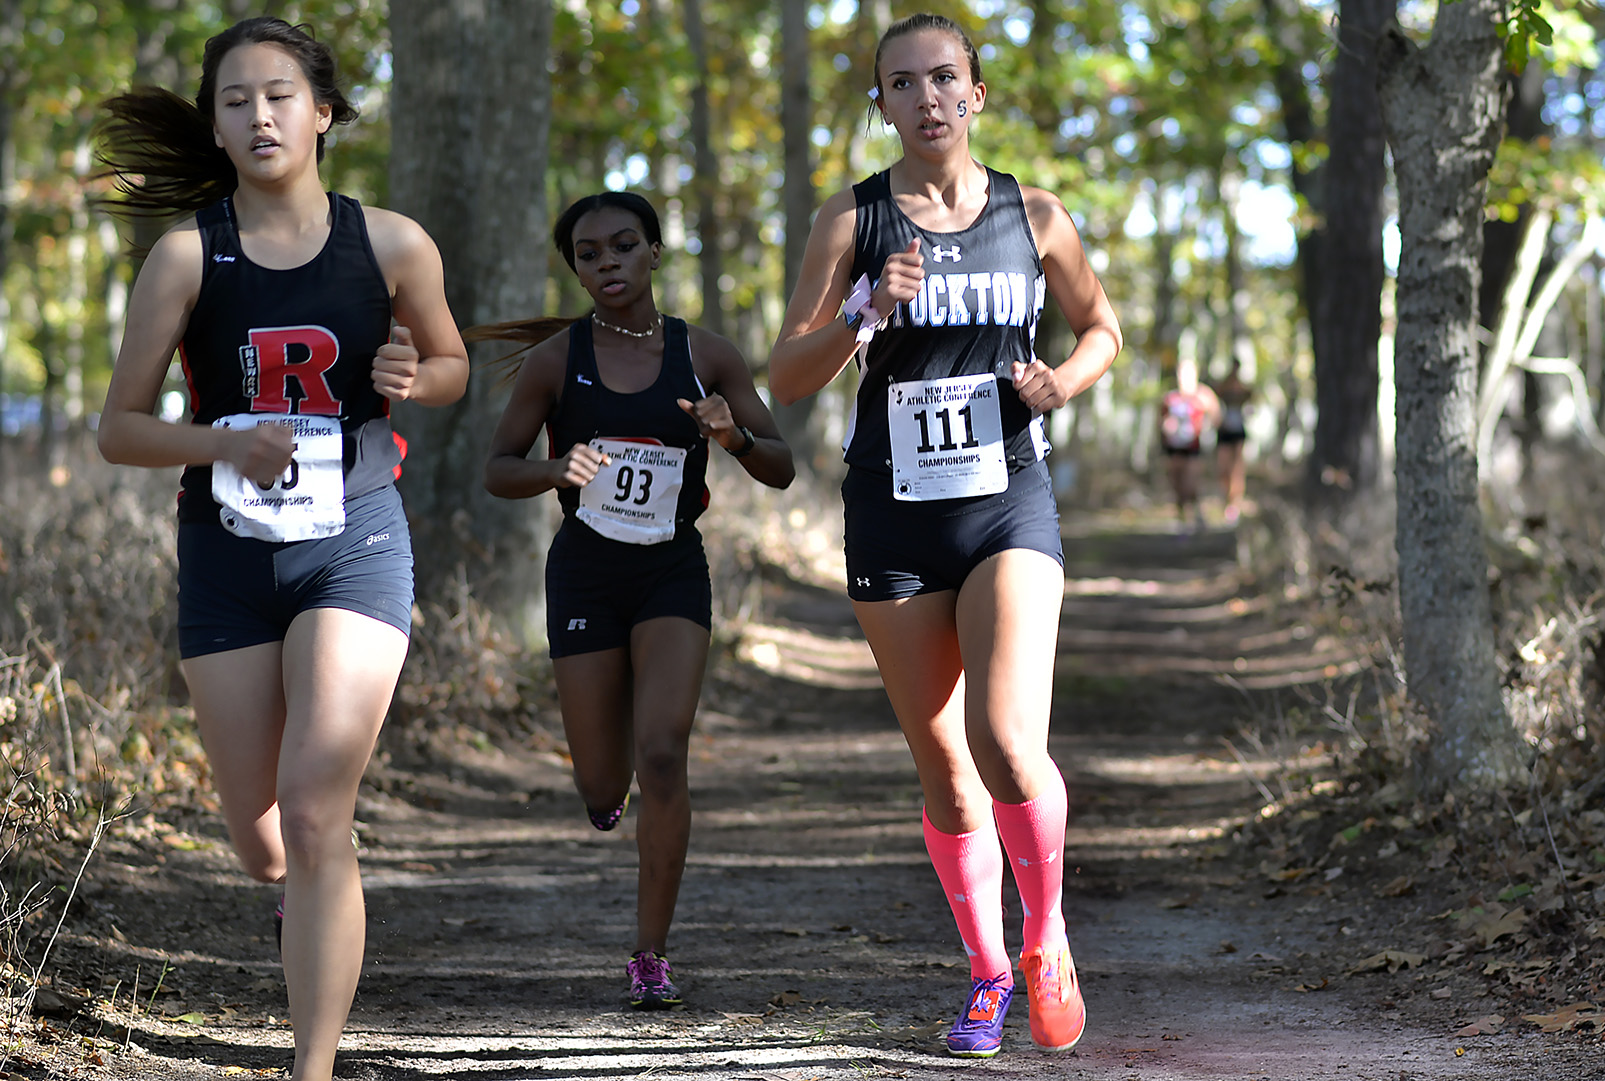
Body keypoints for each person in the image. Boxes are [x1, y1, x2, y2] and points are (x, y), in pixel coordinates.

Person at [93, 18, 468, 1081]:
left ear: (324, 114)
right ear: (214, 127)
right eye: (235, 101)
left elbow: (451, 367)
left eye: (279, 96)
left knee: (313, 810)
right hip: (227, 553)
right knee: (263, 837)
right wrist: (223, 441)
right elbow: (119, 429)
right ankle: (299, 895)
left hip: (355, 538)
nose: (259, 117)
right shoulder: (185, 255)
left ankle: (312, 1064)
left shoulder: (392, 244)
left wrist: (414, 375)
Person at [768, 12, 1121, 1060]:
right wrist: (861, 314)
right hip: (893, 511)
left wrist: (1064, 380)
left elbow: (1103, 330)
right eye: (902, 83)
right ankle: (986, 968)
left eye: (943, 78)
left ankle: (1047, 934)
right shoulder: (853, 219)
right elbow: (785, 376)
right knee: (946, 769)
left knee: (1006, 741)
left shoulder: (1034, 213)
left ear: (976, 93)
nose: (926, 98)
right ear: (881, 103)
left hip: (1008, 499)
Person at [476, 191, 794, 1009]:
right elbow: (499, 468)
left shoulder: (707, 355)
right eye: (588, 254)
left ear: (654, 251)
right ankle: (605, 788)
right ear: (576, 270)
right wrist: (555, 469)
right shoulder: (557, 360)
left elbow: (781, 465)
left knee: (662, 752)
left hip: (670, 569)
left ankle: (650, 954)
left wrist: (732, 435)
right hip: (585, 572)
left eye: (623, 245)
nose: (608, 262)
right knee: (600, 785)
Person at [1159, 354, 1219, 532]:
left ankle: (1197, 516)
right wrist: (1165, 427)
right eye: (1180, 373)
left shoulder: (1204, 395)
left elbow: (1216, 417)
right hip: (1174, 447)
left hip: (1194, 447)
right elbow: (1161, 420)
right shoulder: (1170, 398)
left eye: (1187, 373)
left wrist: (1207, 428)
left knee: (1190, 484)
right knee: (1177, 485)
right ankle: (1183, 520)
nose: (1182, 378)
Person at [1212, 364, 1252, 525]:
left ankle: (1235, 502)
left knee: (1237, 468)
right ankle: (1226, 496)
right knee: (1223, 467)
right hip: (1224, 431)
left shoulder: (1243, 389)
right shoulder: (1224, 387)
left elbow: (1251, 399)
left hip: (1238, 431)